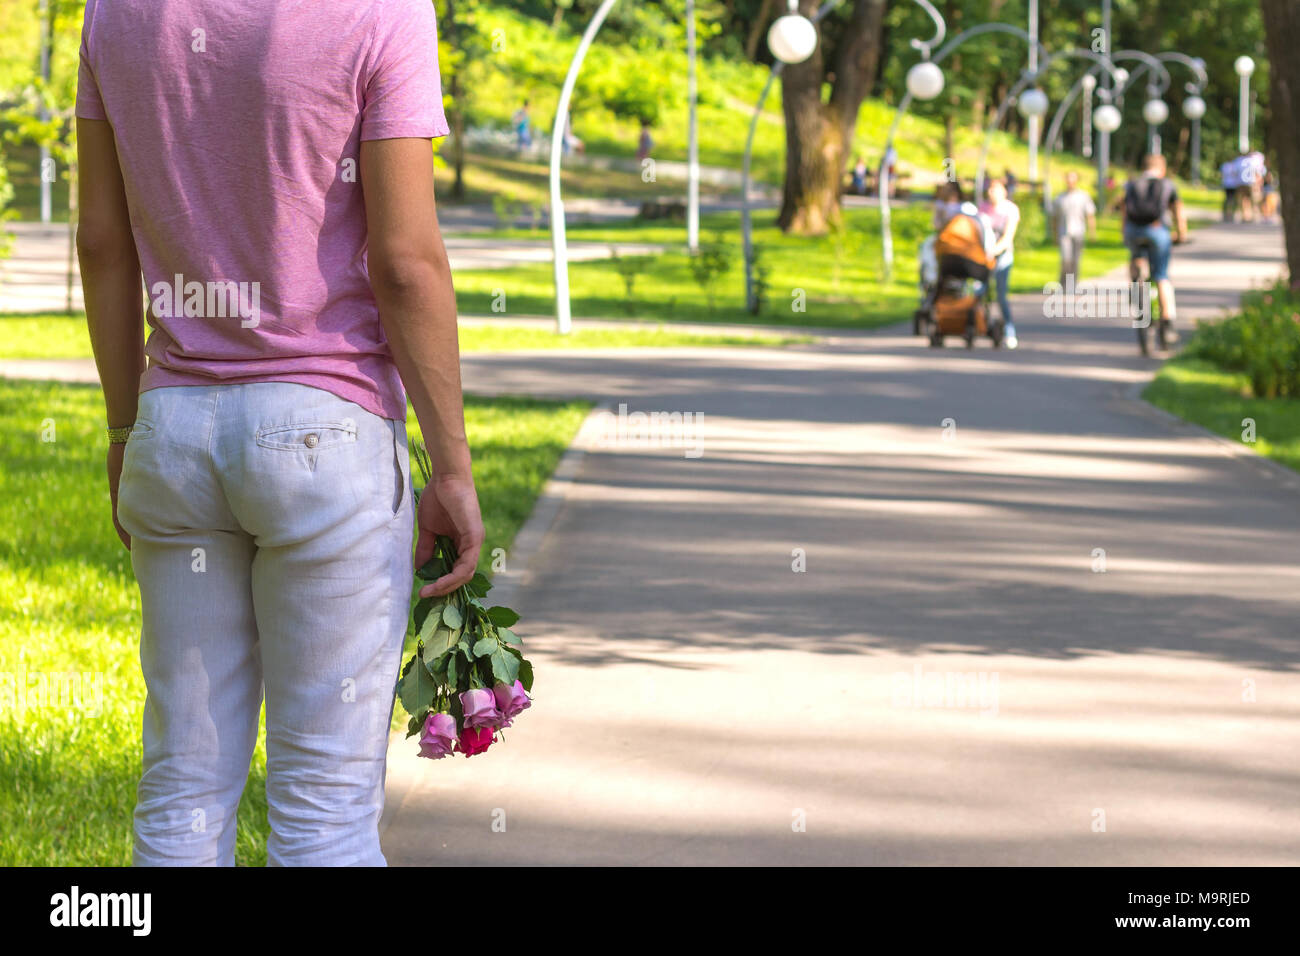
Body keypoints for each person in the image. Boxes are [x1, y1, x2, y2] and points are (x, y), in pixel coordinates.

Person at [76, 0, 484, 865]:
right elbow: (405, 261)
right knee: (325, 816)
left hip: (174, 430)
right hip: (324, 438)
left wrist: (124, 428)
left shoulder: (113, 12)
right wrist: (452, 465)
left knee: (181, 791)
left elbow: (103, 243)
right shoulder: (383, 11)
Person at [1122, 153, 1188, 347]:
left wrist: (1124, 234)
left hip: (1134, 232)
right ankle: (1167, 325)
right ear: (1162, 168)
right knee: (1161, 276)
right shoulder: (1168, 184)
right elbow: (1177, 210)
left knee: (1136, 258)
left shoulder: (1131, 184)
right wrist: (1181, 233)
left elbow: (1125, 211)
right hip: (1158, 231)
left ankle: (1136, 289)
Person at [978, 178, 1021, 349]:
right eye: (989, 189)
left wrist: (994, 252)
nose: (991, 193)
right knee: (979, 291)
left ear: (1004, 191)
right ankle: (978, 325)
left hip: (1002, 256)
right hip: (983, 256)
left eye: (994, 189)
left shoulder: (1010, 210)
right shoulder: (982, 208)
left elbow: (1008, 236)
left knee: (1001, 295)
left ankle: (1010, 332)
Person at [1052, 171, 1097, 287]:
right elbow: (1054, 218)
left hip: (1079, 232)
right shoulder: (1059, 198)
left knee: (1076, 260)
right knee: (1065, 259)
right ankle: (1063, 282)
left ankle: (1073, 283)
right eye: (1068, 179)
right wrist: (1054, 234)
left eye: (1073, 179)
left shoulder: (1083, 196)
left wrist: (1092, 232)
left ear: (1076, 181)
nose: (1070, 182)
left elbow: (1090, 215)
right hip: (1064, 232)